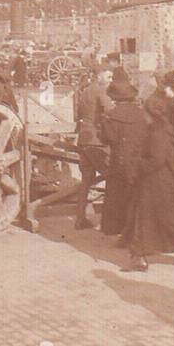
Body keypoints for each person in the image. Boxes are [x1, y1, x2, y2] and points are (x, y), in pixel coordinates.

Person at [121, 96, 174, 272]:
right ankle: (140, 256)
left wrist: (137, 164)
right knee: (149, 218)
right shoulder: (160, 129)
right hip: (157, 180)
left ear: (150, 113)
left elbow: (157, 160)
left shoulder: (158, 132)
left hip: (157, 181)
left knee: (157, 218)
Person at [100, 74, 149, 237]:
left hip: (118, 159)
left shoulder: (111, 115)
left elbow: (108, 138)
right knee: (134, 195)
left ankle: (118, 230)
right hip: (137, 159)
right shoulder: (142, 113)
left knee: (116, 195)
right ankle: (134, 230)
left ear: (115, 98)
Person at [73, 68, 114, 229]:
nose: (111, 79)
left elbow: (78, 115)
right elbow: (110, 112)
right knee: (112, 177)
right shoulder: (101, 90)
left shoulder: (85, 91)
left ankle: (79, 219)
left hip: (83, 140)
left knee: (86, 180)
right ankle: (109, 221)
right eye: (109, 76)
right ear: (100, 77)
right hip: (96, 141)